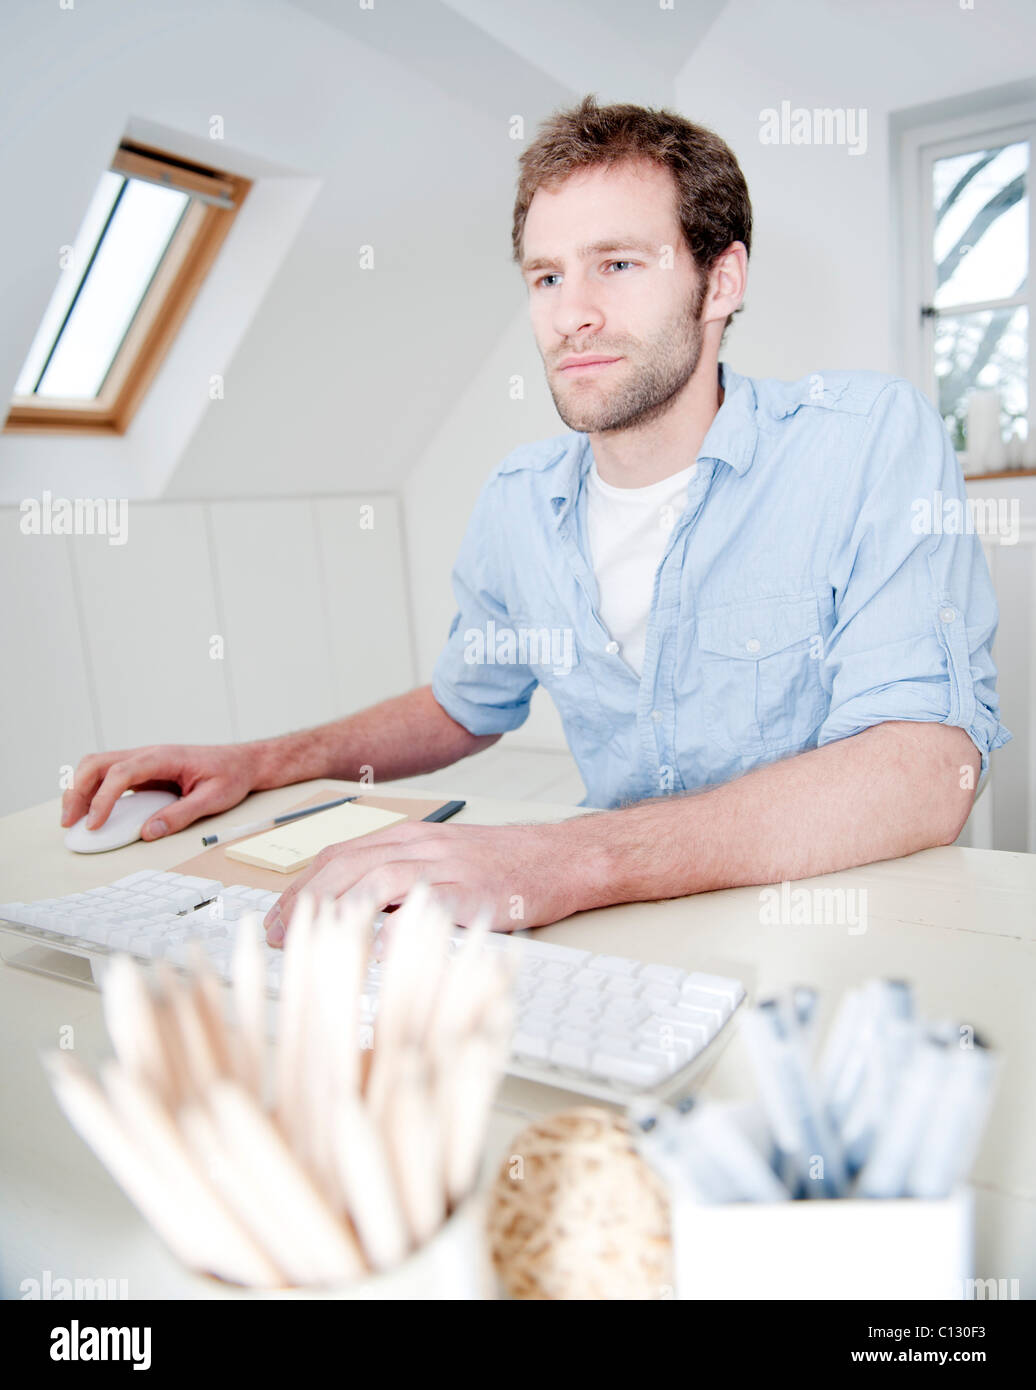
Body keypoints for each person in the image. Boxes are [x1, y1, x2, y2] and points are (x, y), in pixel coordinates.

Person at [61, 95, 1010, 945]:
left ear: (720, 284)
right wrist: (264, 760)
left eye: (618, 265)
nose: (572, 316)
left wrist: (564, 859)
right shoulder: (521, 498)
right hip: (616, 938)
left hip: (853, 934)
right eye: (546, 277)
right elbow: (461, 705)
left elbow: (925, 770)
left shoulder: (864, 441)